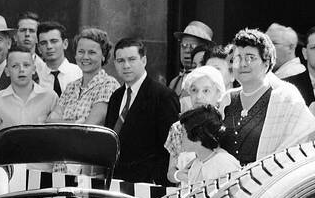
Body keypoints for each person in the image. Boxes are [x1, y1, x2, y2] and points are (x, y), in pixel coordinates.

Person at [220, 28, 315, 166]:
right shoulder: (227, 99)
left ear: (266, 63)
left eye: (250, 58)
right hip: (226, 183)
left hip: (270, 182)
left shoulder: (286, 97)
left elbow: (302, 135)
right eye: (237, 58)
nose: (242, 64)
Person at [102, 36, 179, 184]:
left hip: (148, 184)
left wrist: (157, 182)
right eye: (120, 61)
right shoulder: (116, 97)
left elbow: (170, 147)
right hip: (116, 180)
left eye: (132, 59)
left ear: (143, 61)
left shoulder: (163, 96)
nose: (126, 66)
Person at [166, 64, 228, 184]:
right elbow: (170, 172)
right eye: (194, 90)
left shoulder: (224, 124)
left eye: (206, 90)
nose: (199, 96)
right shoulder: (178, 128)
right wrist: (179, 175)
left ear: (218, 93)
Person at [48, 25, 118, 125]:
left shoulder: (108, 85)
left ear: (103, 56)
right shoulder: (71, 87)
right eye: (81, 51)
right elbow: (49, 122)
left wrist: (63, 123)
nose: (85, 57)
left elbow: (89, 126)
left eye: (92, 52)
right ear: (75, 55)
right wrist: (77, 122)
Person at [0, 44, 56, 131]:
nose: (21, 70)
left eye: (26, 65)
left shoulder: (50, 97)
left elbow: (56, 133)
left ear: (34, 69)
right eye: (15, 66)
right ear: (7, 71)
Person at [177, 104, 241, 186]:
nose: (179, 137)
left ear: (198, 135)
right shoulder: (195, 164)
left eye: (183, 132)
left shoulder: (225, 164)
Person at [266, 23, 315, 105]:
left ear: (291, 47)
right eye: (265, 44)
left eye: (274, 44)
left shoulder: (296, 75)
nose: (267, 49)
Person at [35, 20, 81, 98]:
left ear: (65, 44)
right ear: (39, 48)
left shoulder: (79, 74)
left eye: (54, 41)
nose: (49, 46)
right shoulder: (36, 78)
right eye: (43, 43)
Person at [169, 20, 214, 96]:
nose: (187, 50)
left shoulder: (211, 82)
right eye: (184, 45)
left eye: (192, 46)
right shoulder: (174, 83)